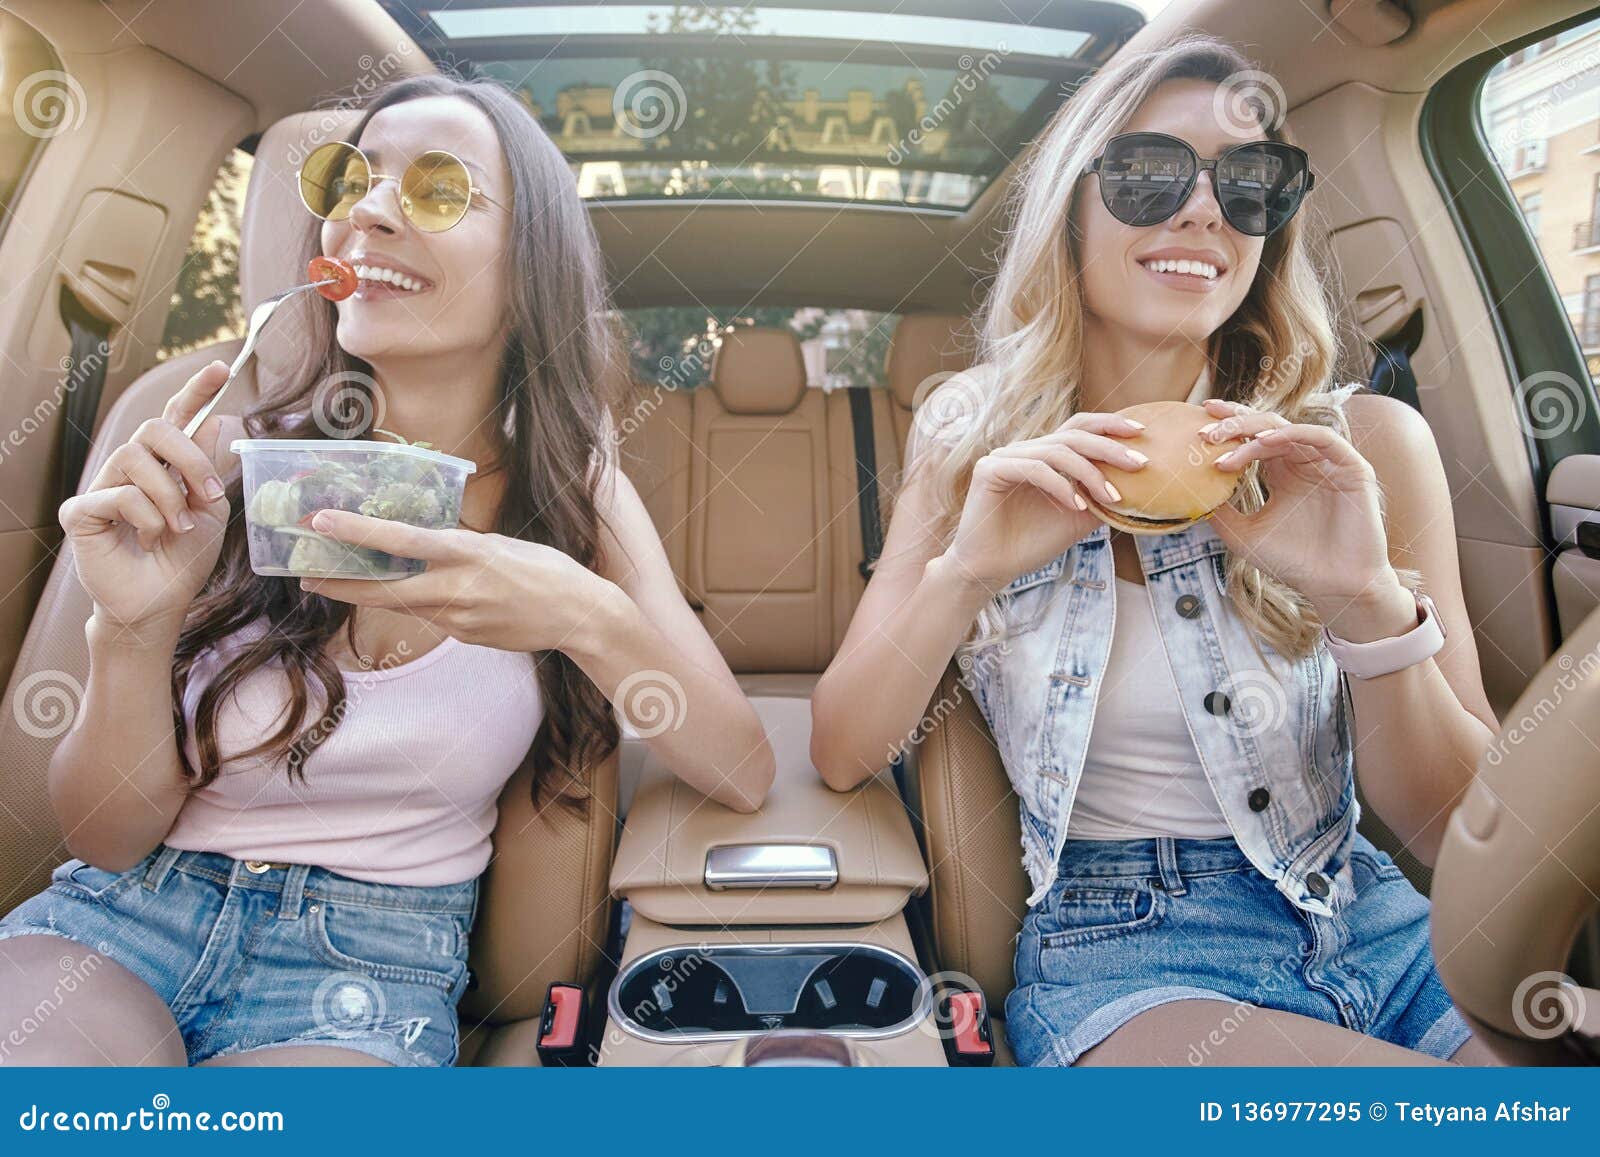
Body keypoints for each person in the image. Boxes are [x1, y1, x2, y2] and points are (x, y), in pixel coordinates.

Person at [0, 73, 773, 1067]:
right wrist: (135, 626)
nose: (366, 211)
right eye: (349, 182)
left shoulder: (576, 498)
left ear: (528, 262)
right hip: (124, 913)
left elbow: (740, 770)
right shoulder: (212, 458)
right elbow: (105, 836)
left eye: (438, 191)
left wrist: (587, 614)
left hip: (367, 961)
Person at [810, 35, 1500, 1066]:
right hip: (1126, 950)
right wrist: (968, 571)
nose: (1203, 210)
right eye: (1148, 171)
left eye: (1249, 182)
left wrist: (1364, 606)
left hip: (1384, 925)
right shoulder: (972, 435)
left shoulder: (1361, 449)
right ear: (1070, 204)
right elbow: (842, 747)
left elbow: (1467, 834)